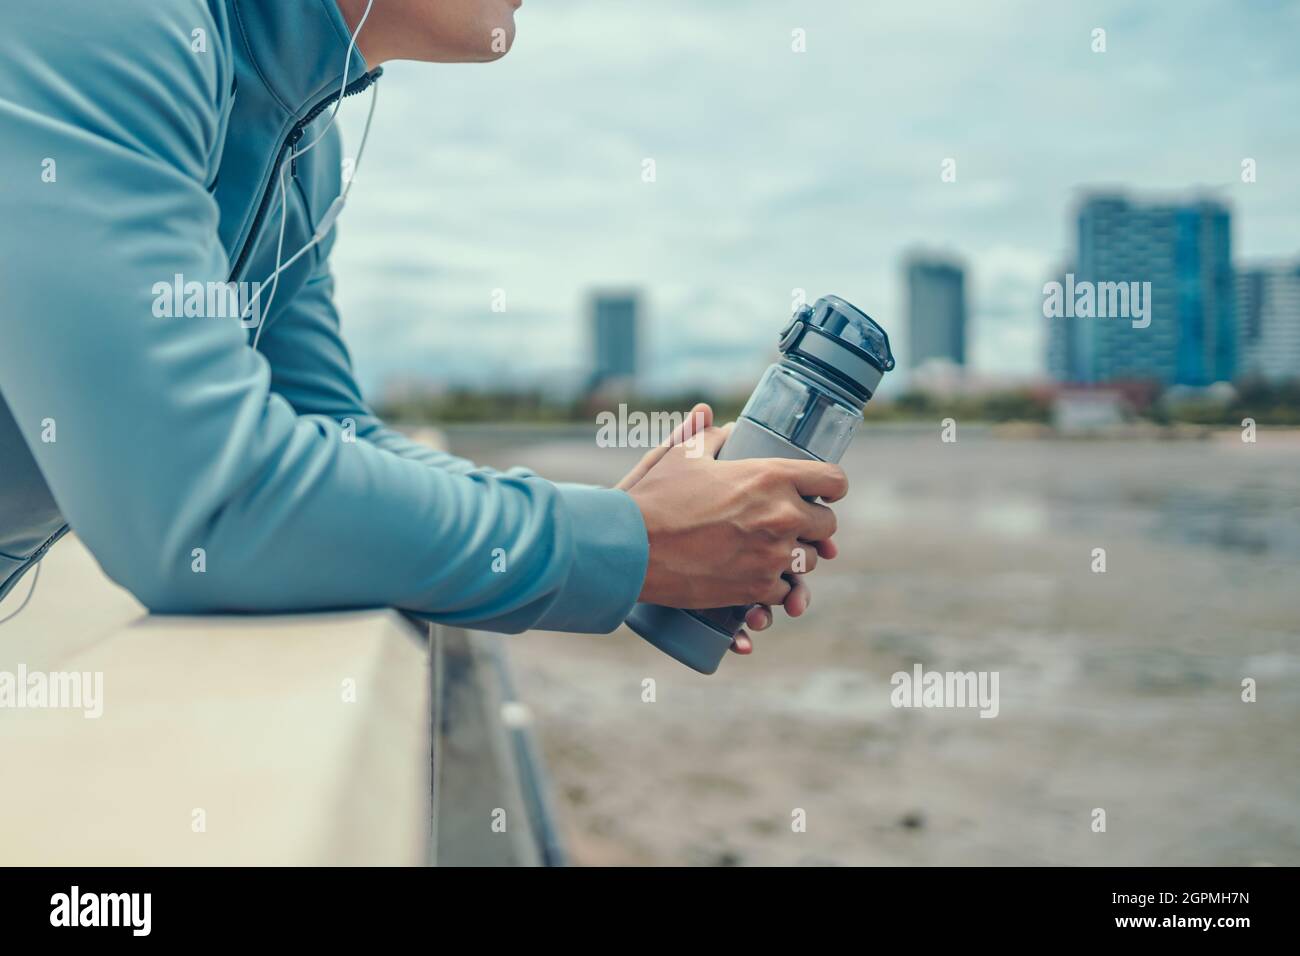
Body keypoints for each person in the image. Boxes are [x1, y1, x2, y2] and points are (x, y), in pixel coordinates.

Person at [0, 0, 845, 655]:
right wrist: (636, 542)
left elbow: (323, 433)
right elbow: (198, 501)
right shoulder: (102, 21)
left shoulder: (307, 136)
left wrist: (636, 523)